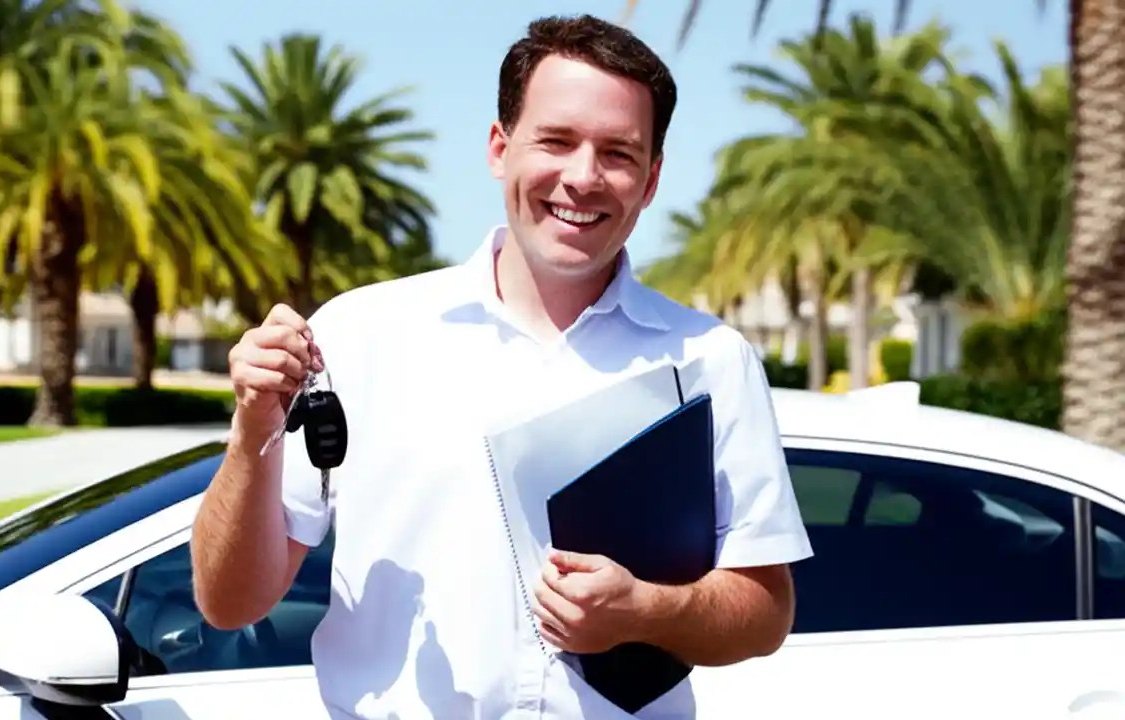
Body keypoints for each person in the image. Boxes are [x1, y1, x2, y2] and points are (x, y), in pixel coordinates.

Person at [191, 13, 813, 719]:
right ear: (499, 146)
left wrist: (647, 611)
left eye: (618, 152)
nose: (582, 177)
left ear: (651, 178)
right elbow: (228, 601)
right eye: (556, 140)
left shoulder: (713, 360)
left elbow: (765, 613)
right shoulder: (360, 335)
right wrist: (250, 432)